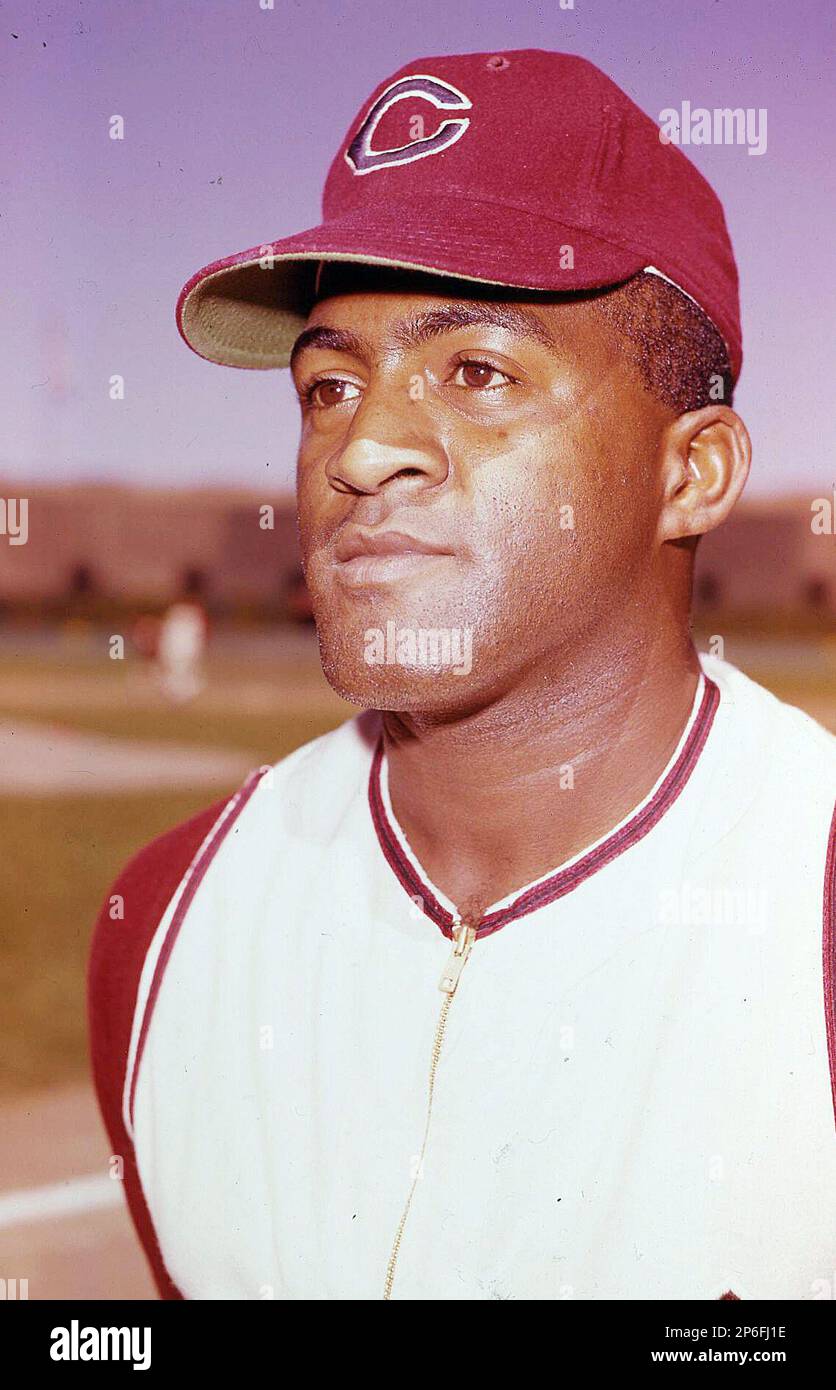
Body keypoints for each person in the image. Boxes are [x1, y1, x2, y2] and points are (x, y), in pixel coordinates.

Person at [89, 49, 836, 1301]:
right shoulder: (166, 923)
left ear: (691, 472)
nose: (361, 444)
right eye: (328, 383)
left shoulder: (807, 903)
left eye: (475, 372)